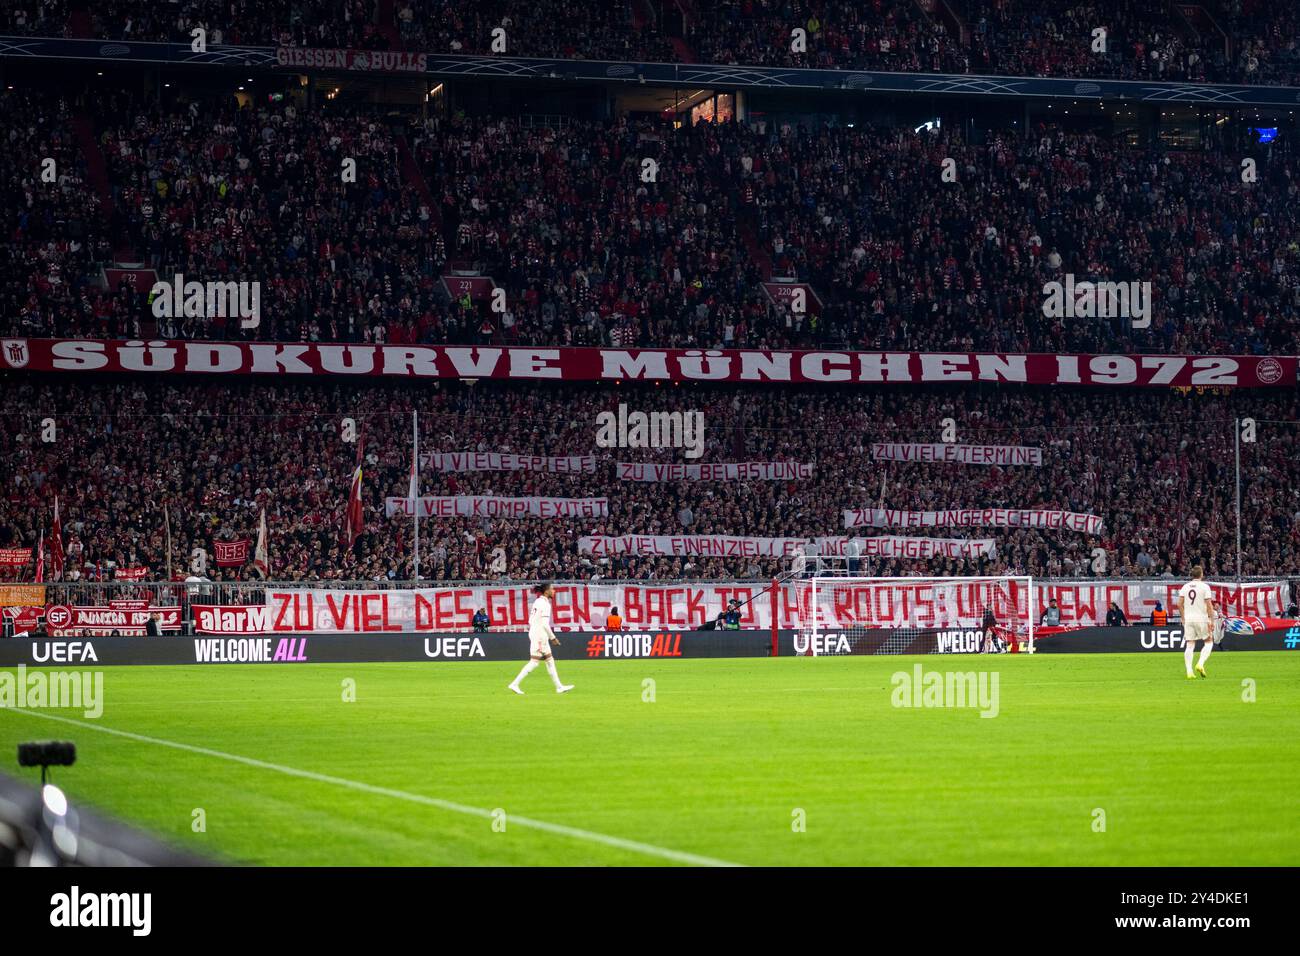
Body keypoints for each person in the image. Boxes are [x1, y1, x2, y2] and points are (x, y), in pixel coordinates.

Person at [508, 582, 573, 695]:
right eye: (552, 589)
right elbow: (544, 624)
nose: (554, 591)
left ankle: (559, 687)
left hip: (536, 632)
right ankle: (514, 684)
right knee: (534, 662)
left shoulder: (538, 601)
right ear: (546, 591)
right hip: (539, 634)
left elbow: (531, 620)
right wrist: (553, 637)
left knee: (550, 660)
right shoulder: (545, 604)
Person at [1178, 565, 1217, 679]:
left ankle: (1189, 671)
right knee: (1209, 642)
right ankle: (1200, 664)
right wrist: (1212, 620)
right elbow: (1209, 605)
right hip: (1202, 618)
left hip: (1189, 619)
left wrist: (1183, 618)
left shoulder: (1185, 587)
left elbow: (1179, 604)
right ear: (1201, 574)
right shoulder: (1205, 587)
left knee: (1190, 645)